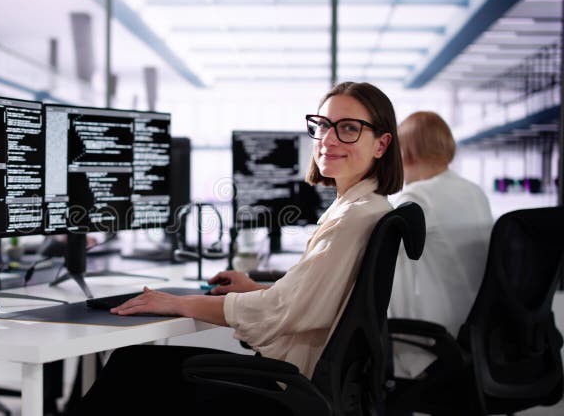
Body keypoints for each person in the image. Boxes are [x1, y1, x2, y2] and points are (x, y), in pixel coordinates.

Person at [73, 81, 403, 416]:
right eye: (323, 126)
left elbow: (277, 312)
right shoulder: (367, 208)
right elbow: (316, 301)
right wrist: (256, 289)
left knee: (132, 367)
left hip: (287, 391)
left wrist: (178, 303)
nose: (329, 139)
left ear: (381, 144)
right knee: (137, 366)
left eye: (349, 128)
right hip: (304, 385)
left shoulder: (353, 219)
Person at [388, 111, 492, 377]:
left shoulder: (418, 198)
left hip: (445, 339)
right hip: (483, 333)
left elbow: (377, 257)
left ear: (406, 152)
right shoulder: (473, 191)